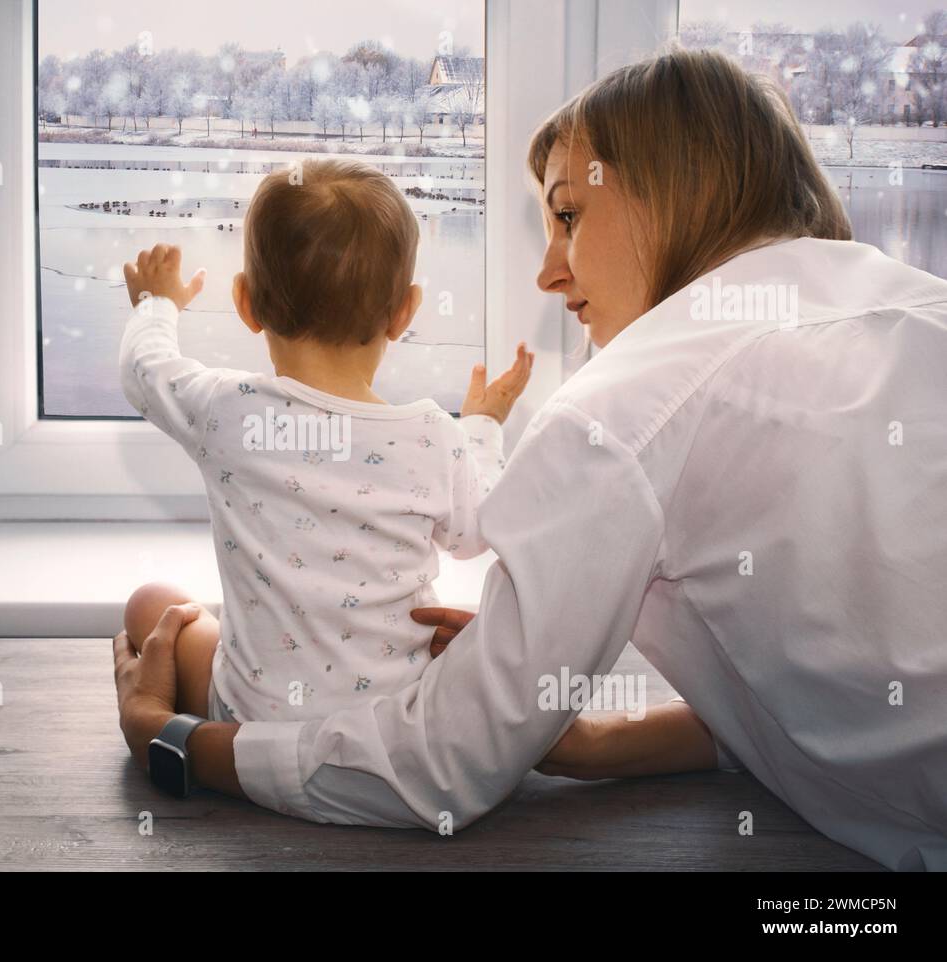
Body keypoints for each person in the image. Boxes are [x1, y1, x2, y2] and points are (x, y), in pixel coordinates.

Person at [113, 49, 947, 871]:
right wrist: (583, 738)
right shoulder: (917, 308)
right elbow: (849, 704)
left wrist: (176, 740)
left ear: (672, 193)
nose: (549, 273)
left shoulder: (630, 410)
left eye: (569, 216)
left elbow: (432, 773)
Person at [119, 159, 538, 725]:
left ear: (244, 303)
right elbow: (475, 532)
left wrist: (156, 303)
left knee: (150, 604)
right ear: (404, 313)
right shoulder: (432, 436)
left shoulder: (225, 409)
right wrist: (482, 425)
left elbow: (146, 369)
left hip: (252, 718)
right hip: (394, 720)